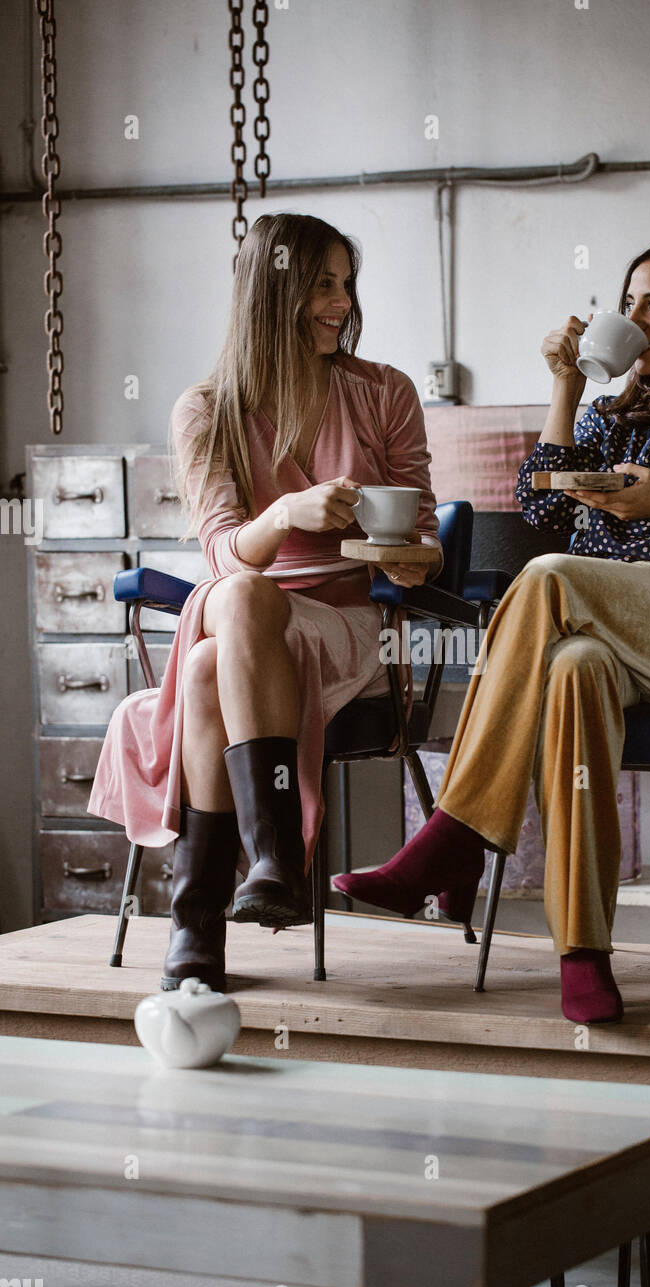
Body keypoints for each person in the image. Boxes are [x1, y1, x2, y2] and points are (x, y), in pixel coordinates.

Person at [335, 237, 650, 1024]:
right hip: (595, 632)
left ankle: (454, 836)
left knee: (549, 575)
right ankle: (583, 953)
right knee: (574, 669)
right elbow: (540, 506)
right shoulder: (612, 419)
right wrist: (563, 385)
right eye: (628, 305)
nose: (635, 319)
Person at [87, 212, 442, 993]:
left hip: (346, 627)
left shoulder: (383, 392)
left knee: (214, 666)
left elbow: (424, 534)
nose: (342, 302)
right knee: (244, 595)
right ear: (272, 288)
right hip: (245, 601)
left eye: (348, 284)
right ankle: (274, 855)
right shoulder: (206, 408)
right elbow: (219, 551)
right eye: (323, 283)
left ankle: (198, 924)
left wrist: (406, 559)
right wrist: (285, 516)